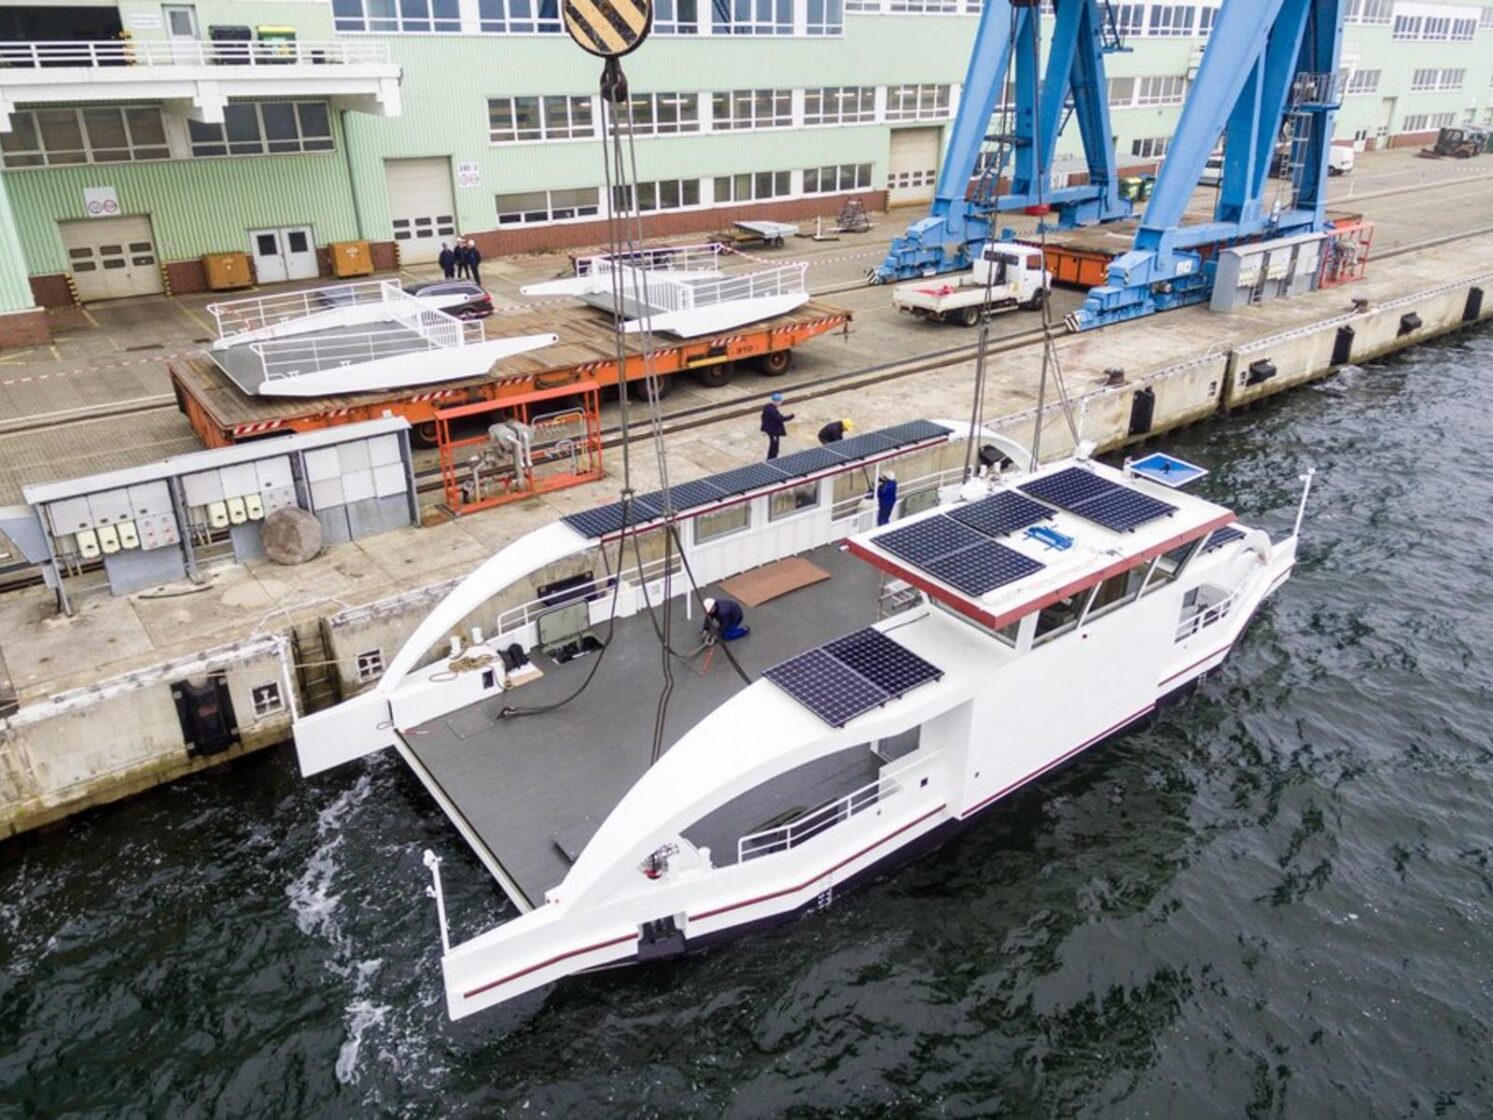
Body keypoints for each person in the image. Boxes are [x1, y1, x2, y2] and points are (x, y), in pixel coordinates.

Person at [760, 392, 793, 461]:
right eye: (780, 401)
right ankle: (772, 458)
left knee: (774, 444)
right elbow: (781, 418)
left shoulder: (767, 407)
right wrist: (791, 416)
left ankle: (773, 457)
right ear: (777, 401)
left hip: (770, 429)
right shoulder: (773, 411)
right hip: (773, 431)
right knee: (774, 445)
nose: (781, 403)